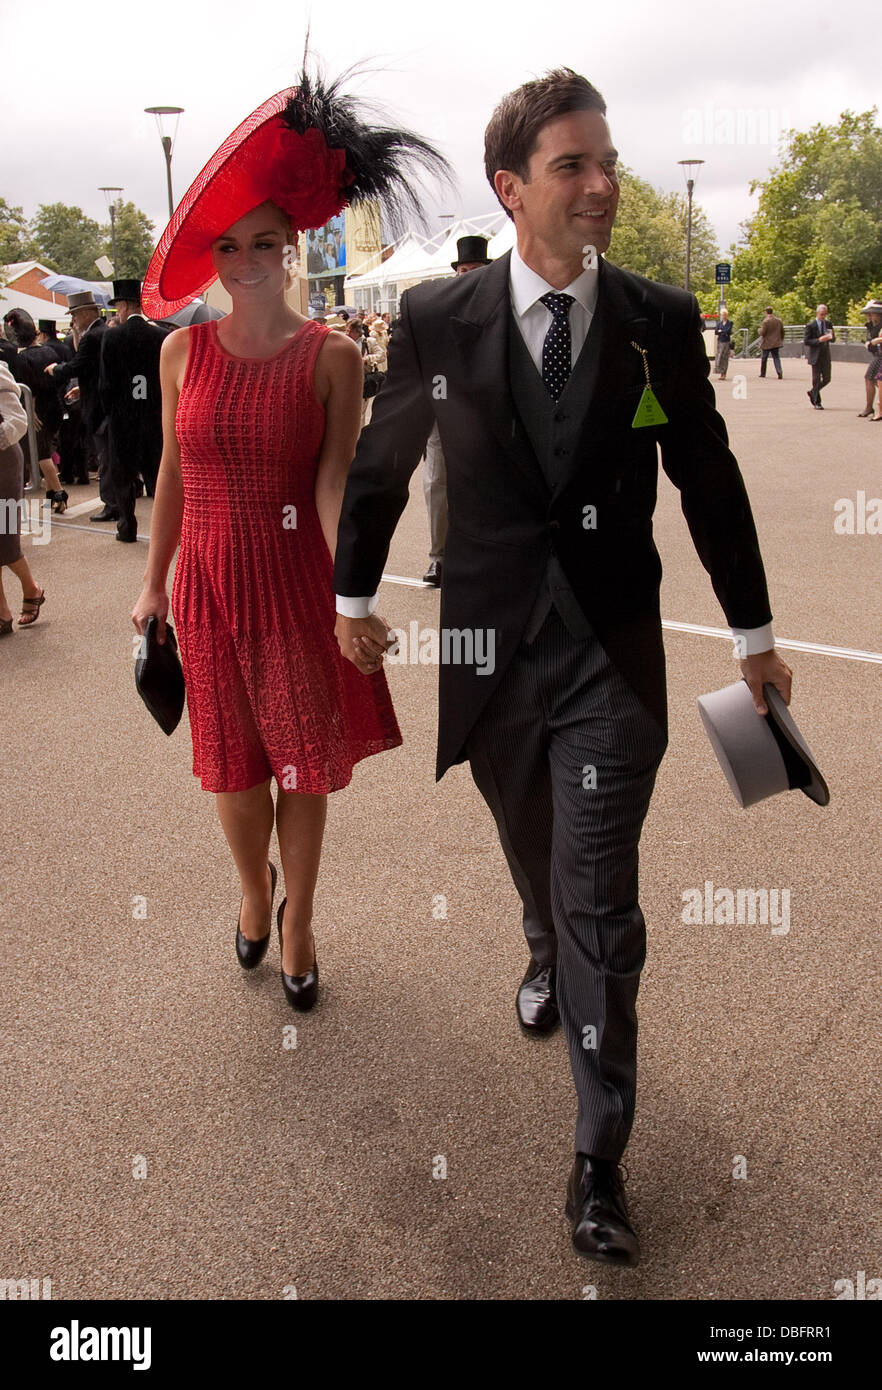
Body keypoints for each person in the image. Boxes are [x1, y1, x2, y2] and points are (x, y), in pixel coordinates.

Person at [333, 66, 791, 1267]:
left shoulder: (656, 318)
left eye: (608, 162)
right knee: (534, 857)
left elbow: (709, 477)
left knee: (602, 898)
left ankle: (597, 1156)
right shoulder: (438, 319)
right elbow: (383, 468)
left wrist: (754, 635)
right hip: (488, 658)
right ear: (512, 188)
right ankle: (539, 941)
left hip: (609, 661)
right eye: (572, 167)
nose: (602, 186)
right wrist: (348, 596)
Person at [133, 67, 449, 1011]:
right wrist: (154, 585)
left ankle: (303, 916)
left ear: (291, 247)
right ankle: (252, 894)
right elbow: (175, 475)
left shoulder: (334, 356)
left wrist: (353, 596)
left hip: (297, 584)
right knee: (230, 762)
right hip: (208, 584)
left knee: (303, 761)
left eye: (263, 243)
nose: (245, 261)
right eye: (229, 246)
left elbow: (332, 481)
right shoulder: (179, 350)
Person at [421, 235, 492, 586]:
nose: (467, 275)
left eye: (474, 270)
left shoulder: (501, 306)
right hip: (443, 409)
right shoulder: (438, 308)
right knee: (436, 480)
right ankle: (439, 558)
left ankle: (486, 552)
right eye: (462, 269)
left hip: (488, 409)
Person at [99, 279, 166, 542]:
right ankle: (164, 530)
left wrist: (111, 414)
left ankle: (127, 527)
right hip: (154, 416)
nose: (117, 312)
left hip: (123, 418)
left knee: (123, 475)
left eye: (118, 307)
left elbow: (105, 384)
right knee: (158, 475)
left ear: (125, 306)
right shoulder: (161, 336)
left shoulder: (112, 337)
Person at [45, 292, 112, 513]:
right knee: (106, 454)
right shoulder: (103, 332)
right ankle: (114, 502)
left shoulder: (93, 337)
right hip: (101, 398)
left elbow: (77, 366)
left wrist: (55, 369)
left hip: (100, 405)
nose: (74, 320)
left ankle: (111, 504)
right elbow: (98, 371)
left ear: (84, 313)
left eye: (74, 315)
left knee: (106, 455)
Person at [3, 308, 68, 512]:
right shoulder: (50, 351)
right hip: (55, 405)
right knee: (48, 449)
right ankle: (51, 494)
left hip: (38, 410)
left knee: (41, 455)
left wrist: (31, 413)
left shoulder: (23, 359)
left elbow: (28, 390)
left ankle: (59, 492)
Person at [0, 359, 46, 632]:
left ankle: (31, 588)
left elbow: (17, 421)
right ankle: (2, 611)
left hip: (2, 460)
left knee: (5, 536)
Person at [803, 304, 835, 409]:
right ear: (817, 313)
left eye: (825, 314)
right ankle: (817, 402)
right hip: (815, 355)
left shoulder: (828, 324)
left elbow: (833, 339)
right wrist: (818, 340)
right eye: (821, 314)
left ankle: (813, 392)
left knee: (827, 378)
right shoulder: (811, 325)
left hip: (825, 354)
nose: (823, 317)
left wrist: (831, 336)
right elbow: (806, 341)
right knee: (816, 379)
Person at [858, 300, 882, 417]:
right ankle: (869, 407)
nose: (870, 315)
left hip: (879, 355)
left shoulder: (879, 326)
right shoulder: (873, 325)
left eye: (873, 313)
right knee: (873, 380)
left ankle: (869, 407)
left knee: (871, 379)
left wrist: (871, 343)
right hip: (877, 354)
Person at [758, 305, 784, 378]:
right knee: (776, 357)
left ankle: (763, 373)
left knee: (764, 358)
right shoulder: (778, 320)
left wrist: (759, 330)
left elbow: (762, 332)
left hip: (767, 343)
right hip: (776, 342)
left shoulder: (765, 321)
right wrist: (781, 339)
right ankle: (779, 371)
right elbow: (782, 331)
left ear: (766, 312)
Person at [714, 305, 733, 379]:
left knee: (725, 357)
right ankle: (720, 371)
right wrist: (722, 332)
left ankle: (724, 373)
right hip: (720, 341)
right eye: (722, 315)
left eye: (725, 315)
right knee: (719, 357)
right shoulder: (719, 323)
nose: (723, 316)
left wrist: (721, 331)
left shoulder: (730, 323)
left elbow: (728, 331)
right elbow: (716, 332)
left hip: (726, 342)